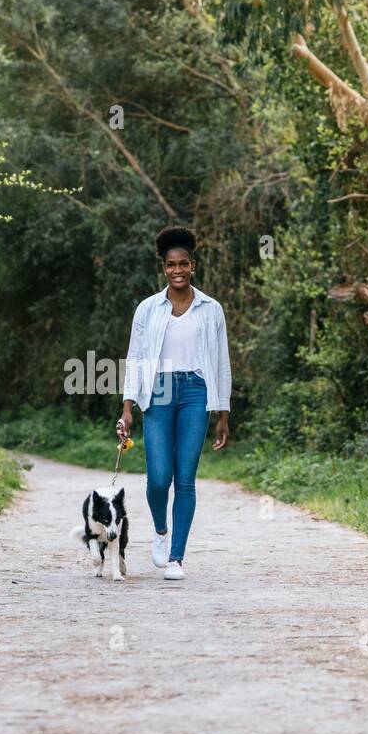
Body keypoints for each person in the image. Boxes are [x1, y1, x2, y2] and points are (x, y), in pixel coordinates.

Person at [116, 225, 231, 580]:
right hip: (159, 392)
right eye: (170, 265)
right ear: (163, 267)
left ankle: (176, 558)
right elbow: (135, 358)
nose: (177, 270)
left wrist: (223, 413)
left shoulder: (212, 309)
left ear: (193, 265)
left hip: (196, 391)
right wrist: (127, 408)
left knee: (185, 479)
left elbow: (222, 361)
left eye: (183, 264)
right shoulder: (148, 309)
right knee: (158, 479)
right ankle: (161, 532)